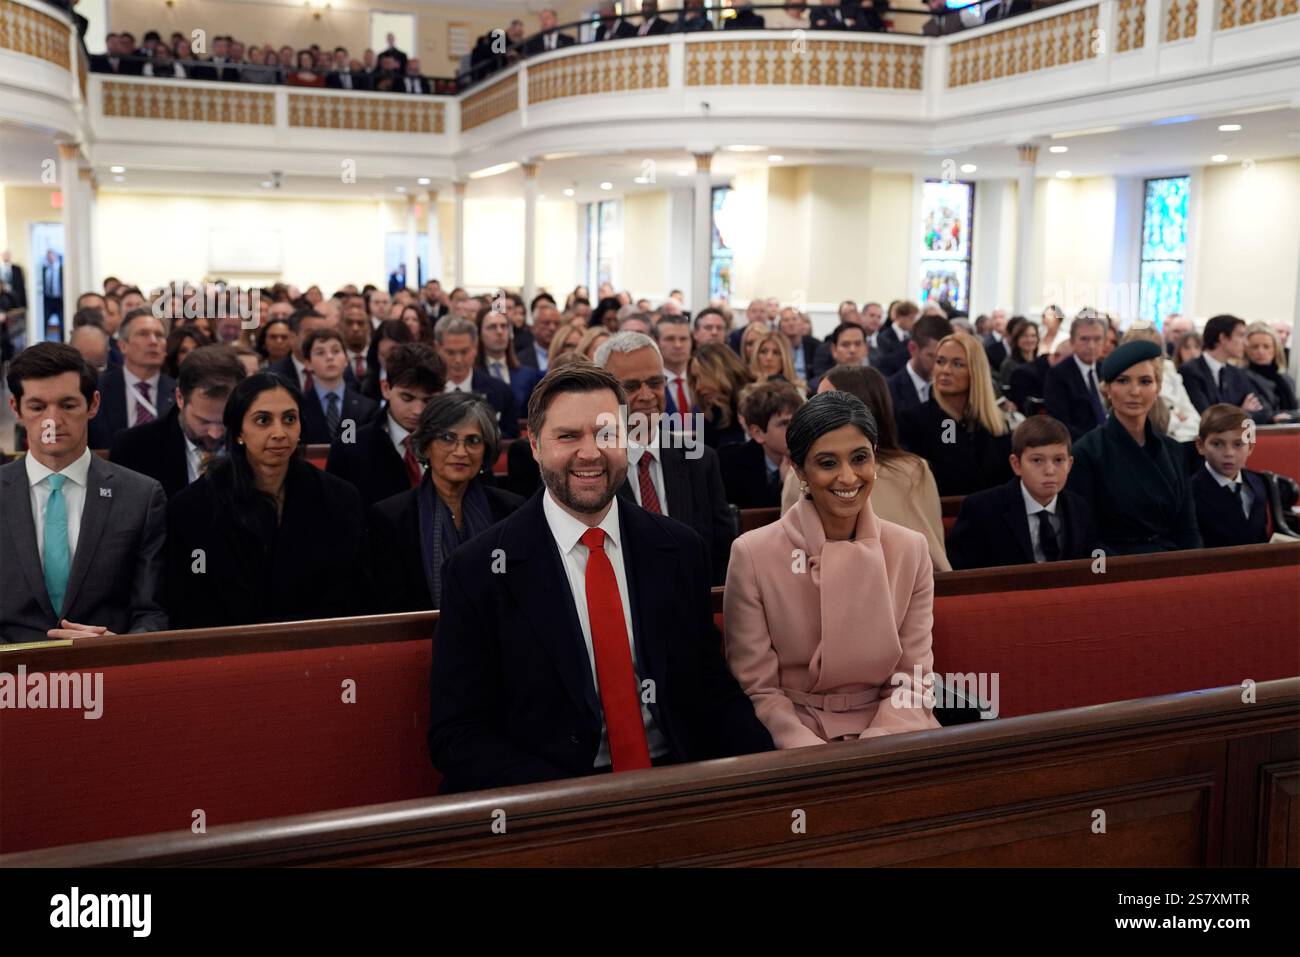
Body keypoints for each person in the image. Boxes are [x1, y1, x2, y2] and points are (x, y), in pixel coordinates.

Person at [427, 363, 773, 793]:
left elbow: (708, 688)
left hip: (674, 781)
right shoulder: (479, 569)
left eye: (606, 434)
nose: (590, 452)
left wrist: (770, 774)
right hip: (550, 797)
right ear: (534, 445)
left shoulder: (678, 549)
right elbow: (457, 733)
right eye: (568, 436)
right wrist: (572, 805)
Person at [725, 390, 940, 748]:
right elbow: (758, 688)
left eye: (860, 458)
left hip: (897, 732)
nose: (848, 477)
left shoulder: (910, 548)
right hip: (795, 738)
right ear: (799, 469)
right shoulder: (753, 553)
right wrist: (814, 757)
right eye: (827, 463)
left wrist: (878, 742)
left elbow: (914, 678)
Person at [165, 374, 370, 628]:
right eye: (263, 420)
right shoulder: (193, 507)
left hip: (320, 644)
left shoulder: (340, 498)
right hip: (226, 649)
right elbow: (190, 602)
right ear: (238, 431)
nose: (279, 433)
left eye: (289, 419)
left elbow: (352, 591)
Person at [1, 343, 167, 643]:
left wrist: (117, 647)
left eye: (67, 405)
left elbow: (152, 611)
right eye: (38, 407)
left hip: (108, 675)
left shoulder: (141, 497)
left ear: (93, 404)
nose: (53, 421)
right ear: (16, 408)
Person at [597, 332, 736, 584]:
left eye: (654, 382)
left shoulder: (701, 460)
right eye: (631, 386)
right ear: (602, 391)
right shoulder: (588, 464)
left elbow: (721, 553)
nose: (647, 395)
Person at [784, 365, 950, 572]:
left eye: (829, 402)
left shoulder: (914, 469)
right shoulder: (800, 475)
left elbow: (934, 546)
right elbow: (791, 555)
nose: (847, 478)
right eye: (816, 401)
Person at [368, 394, 524, 613]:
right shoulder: (390, 517)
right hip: (421, 641)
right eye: (447, 438)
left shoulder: (512, 511)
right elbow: (391, 606)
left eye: (473, 441)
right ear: (426, 445)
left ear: (485, 450)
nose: (460, 452)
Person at [1066, 340, 1201, 554]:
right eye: (1123, 381)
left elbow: (1188, 529)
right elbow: (1085, 537)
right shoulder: (1086, 452)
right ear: (1108, 389)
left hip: (1172, 563)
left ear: (1157, 389)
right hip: (1119, 570)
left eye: (1145, 381)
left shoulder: (1174, 451)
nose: (1135, 391)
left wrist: (1191, 570)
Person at [947, 417, 1097, 569]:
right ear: (1016, 464)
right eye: (1037, 460)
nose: (1050, 471)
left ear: (1070, 464)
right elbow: (961, 574)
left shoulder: (1079, 508)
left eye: (1059, 460)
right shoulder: (981, 509)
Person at [110, 345, 247, 498]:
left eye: (224, 422)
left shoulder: (253, 446)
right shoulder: (132, 448)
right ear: (180, 398)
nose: (215, 434)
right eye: (203, 422)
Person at [326, 343, 445, 507]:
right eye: (407, 398)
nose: (418, 411)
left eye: (428, 400)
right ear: (386, 388)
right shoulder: (350, 449)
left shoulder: (456, 442)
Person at [897, 333, 1012, 496]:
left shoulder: (997, 423)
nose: (945, 371)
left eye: (957, 364)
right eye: (940, 362)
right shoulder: (914, 421)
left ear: (975, 371)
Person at [87, 308, 174, 450]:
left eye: (159, 335)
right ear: (123, 346)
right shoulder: (98, 388)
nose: (153, 341)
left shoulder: (178, 392)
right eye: (143, 334)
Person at [1190, 404, 1275, 548]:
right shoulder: (1190, 491)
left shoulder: (1258, 483)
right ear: (1200, 445)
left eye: (1238, 444)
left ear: (1250, 447)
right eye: (1217, 444)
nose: (1229, 453)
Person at [720, 381, 803, 509]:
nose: (796, 429)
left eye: (798, 420)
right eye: (784, 423)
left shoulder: (813, 458)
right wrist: (782, 484)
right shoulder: (729, 464)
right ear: (757, 433)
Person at [435, 315, 518, 438]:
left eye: (464, 352)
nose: (458, 360)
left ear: (475, 347)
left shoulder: (500, 392)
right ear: (437, 348)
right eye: (450, 352)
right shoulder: (426, 392)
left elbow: (510, 440)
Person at [1179, 314, 1269, 423]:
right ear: (1223, 338)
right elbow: (1206, 418)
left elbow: (1264, 410)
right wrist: (1241, 412)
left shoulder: (1237, 373)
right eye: (1240, 335)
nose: (1246, 343)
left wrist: (1234, 416)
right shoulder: (1190, 371)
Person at [299, 327, 379, 445]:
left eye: (336, 351)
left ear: (346, 359)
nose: (330, 357)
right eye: (320, 353)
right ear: (308, 364)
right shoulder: (298, 407)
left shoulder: (367, 407)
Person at [1042, 312, 1108, 440]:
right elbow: (1060, 423)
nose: (1091, 346)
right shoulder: (1058, 375)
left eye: (1097, 339)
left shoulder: (1106, 370)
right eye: (1084, 339)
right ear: (1072, 342)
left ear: (1104, 342)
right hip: (1080, 444)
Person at [478, 305, 543, 417]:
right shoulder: (472, 373)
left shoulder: (527, 375)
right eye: (492, 327)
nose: (499, 332)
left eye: (504, 326)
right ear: (479, 333)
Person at [887, 313, 953, 417]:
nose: (942, 368)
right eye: (933, 357)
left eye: (944, 360)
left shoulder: (952, 388)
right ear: (912, 348)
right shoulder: (888, 392)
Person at [690, 342, 754, 450]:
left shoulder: (755, 405)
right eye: (695, 379)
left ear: (721, 373)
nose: (698, 387)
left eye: (703, 376)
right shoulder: (709, 415)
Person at [1244, 321, 1298, 422]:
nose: (1261, 351)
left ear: (1275, 349)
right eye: (1255, 347)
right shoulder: (1241, 377)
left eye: (1266, 346)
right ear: (1247, 349)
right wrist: (1272, 418)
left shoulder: (1284, 378)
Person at [654, 313, 696, 421]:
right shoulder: (649, 384)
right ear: (656, 342)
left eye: (683, 339)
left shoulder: (704, 380)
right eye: (670, 339)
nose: (678, 345)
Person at [997, 319, 1039, 393]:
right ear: (1016, 339)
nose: (1029, 340)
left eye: (1033, 336)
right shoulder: (1009, 365)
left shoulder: (1040, 363)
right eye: (1024, 336)